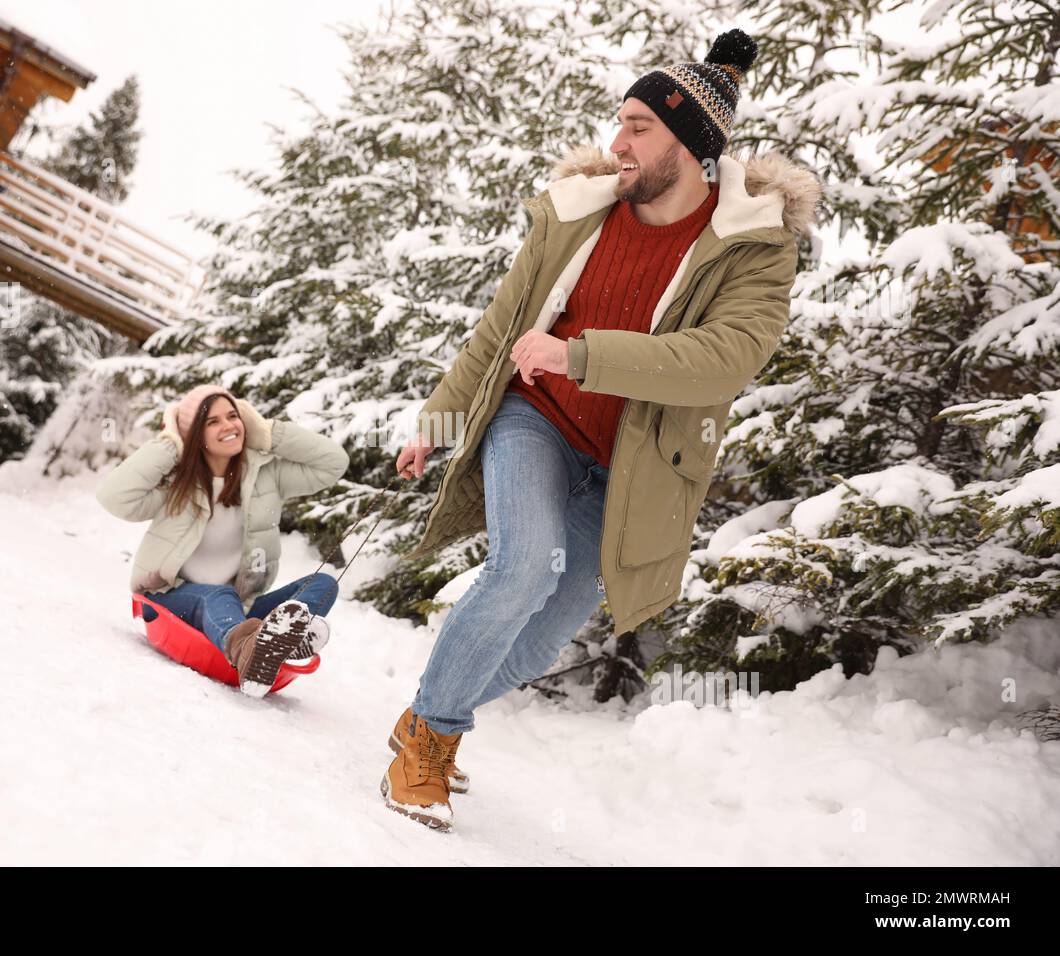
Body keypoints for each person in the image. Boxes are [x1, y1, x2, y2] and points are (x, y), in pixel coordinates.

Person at [382, 28, 823, 830]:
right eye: (618, 122)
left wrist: (581, 354)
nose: (615, 142)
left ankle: (422, 716)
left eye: (637, 126)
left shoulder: (754, 249)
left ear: (689, 145)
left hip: (630, 464)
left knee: (545, 638)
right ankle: (432, 745)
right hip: (536, 422)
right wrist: (438, 422)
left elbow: (724, 358)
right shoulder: (575, 214)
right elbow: (498, 330)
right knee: (520, 571)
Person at [97, 383, 350, 697]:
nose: (229, 425)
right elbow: (113, 497)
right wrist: (172, 443)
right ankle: (248, 650)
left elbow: (334, 462)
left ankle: (272, 644)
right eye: (213, 421)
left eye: (233, 416)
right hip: (172, 598)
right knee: (217, 595)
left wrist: (267, 432)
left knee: (323, 584)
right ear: (194, 435)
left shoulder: (266, 476)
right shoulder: (175, 484)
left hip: (238, 606)